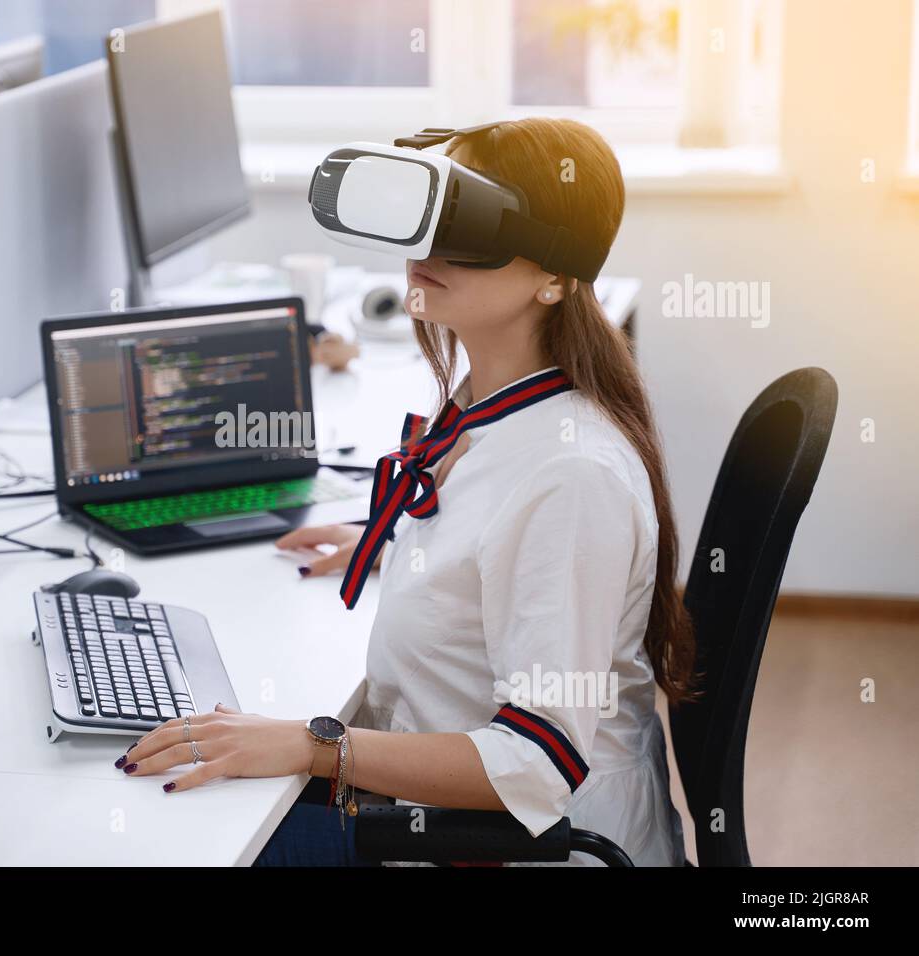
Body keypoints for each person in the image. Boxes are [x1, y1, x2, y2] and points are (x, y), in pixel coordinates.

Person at [114, 118, 694, 866]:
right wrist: (415, 549)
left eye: (473, 222)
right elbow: (495, 541)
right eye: (434, 210)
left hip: (527, 846)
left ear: (555, 277)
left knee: (191, 834)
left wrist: (311, 745)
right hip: (443, 811)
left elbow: (538, 762)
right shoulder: (490, 399)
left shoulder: (571, 476)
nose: (429, 248)